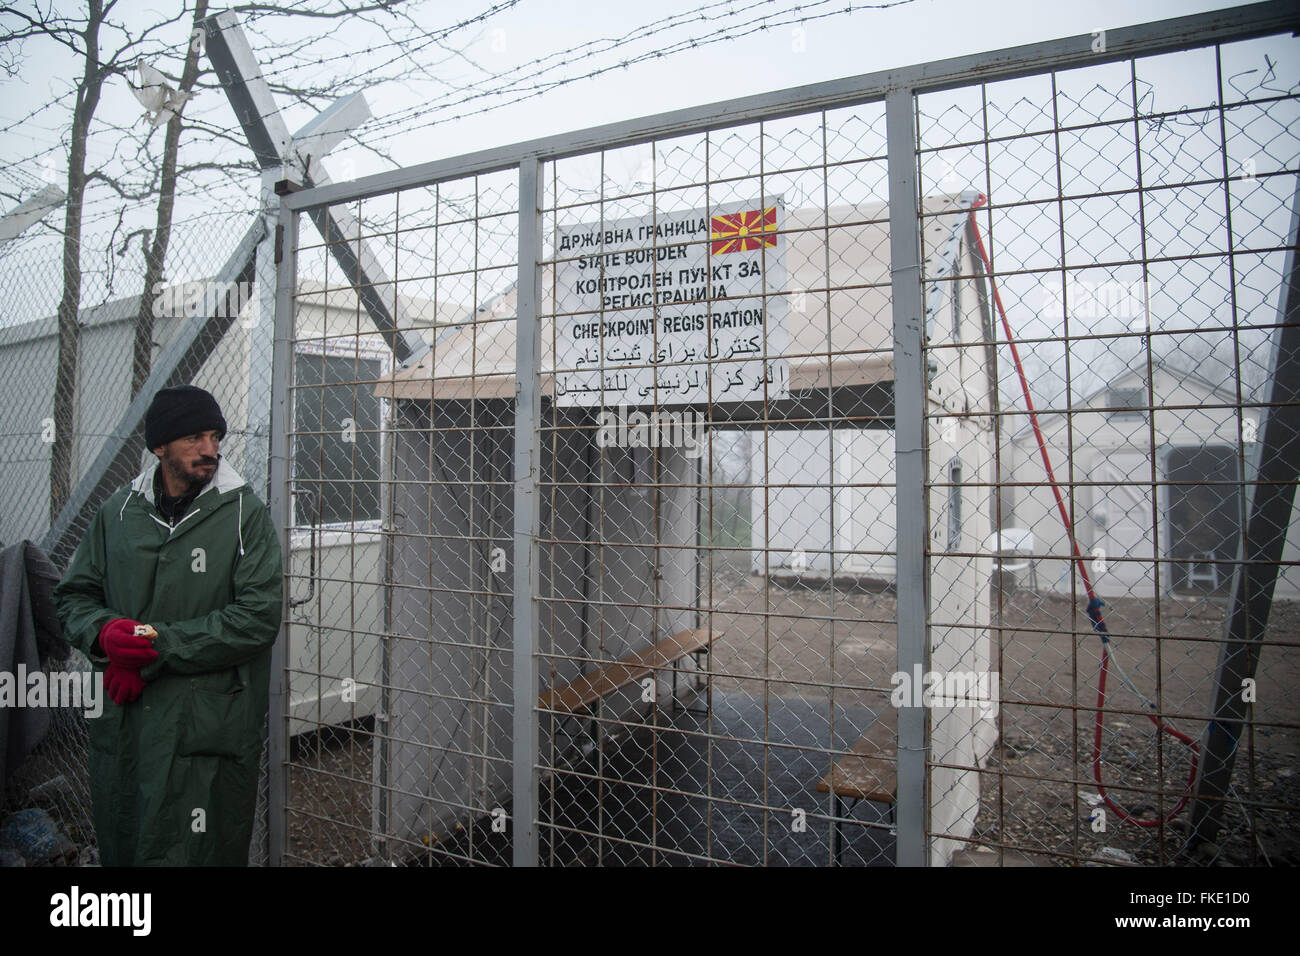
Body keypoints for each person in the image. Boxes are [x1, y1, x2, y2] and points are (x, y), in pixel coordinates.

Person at [53, 385, 283, 865]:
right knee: (127, 836)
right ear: (159, 447)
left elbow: (257, 618)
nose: (210, 449)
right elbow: (75, 596)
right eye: (194, 437)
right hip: (126, 719)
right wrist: (104, 635)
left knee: (201, 845)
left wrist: (153, 646)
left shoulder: (244, 515)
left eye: (215, 436)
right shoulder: (117, 512)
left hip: (205, 722)